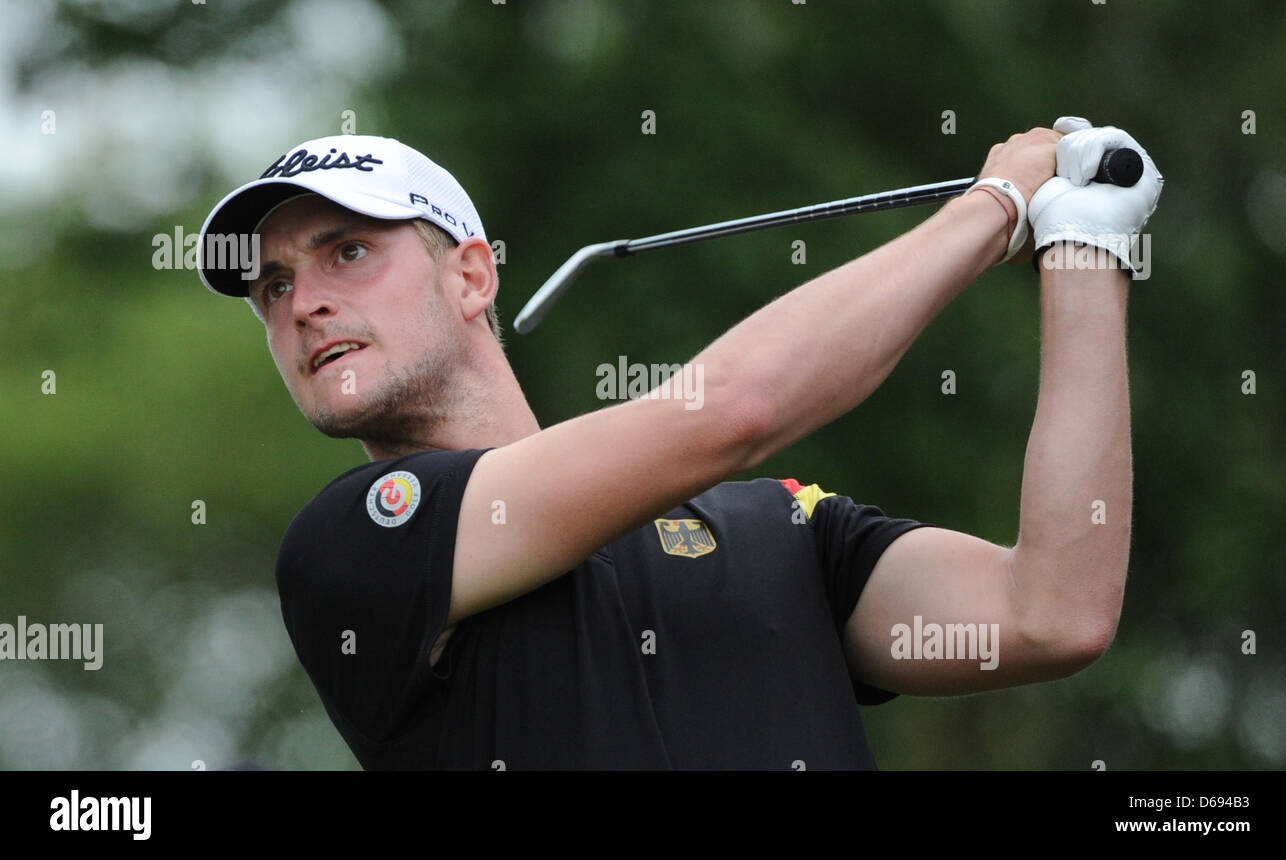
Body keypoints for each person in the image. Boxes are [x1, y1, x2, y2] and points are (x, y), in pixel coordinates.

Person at [196, 117, 1162, 769]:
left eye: (348, 252)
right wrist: (993, 210)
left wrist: (1085, 244)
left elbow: (1054, 612)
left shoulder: (786, 527)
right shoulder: (360, 543)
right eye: (272, 286)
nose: (304, 301)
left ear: (473, 278)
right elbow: (734, 409)